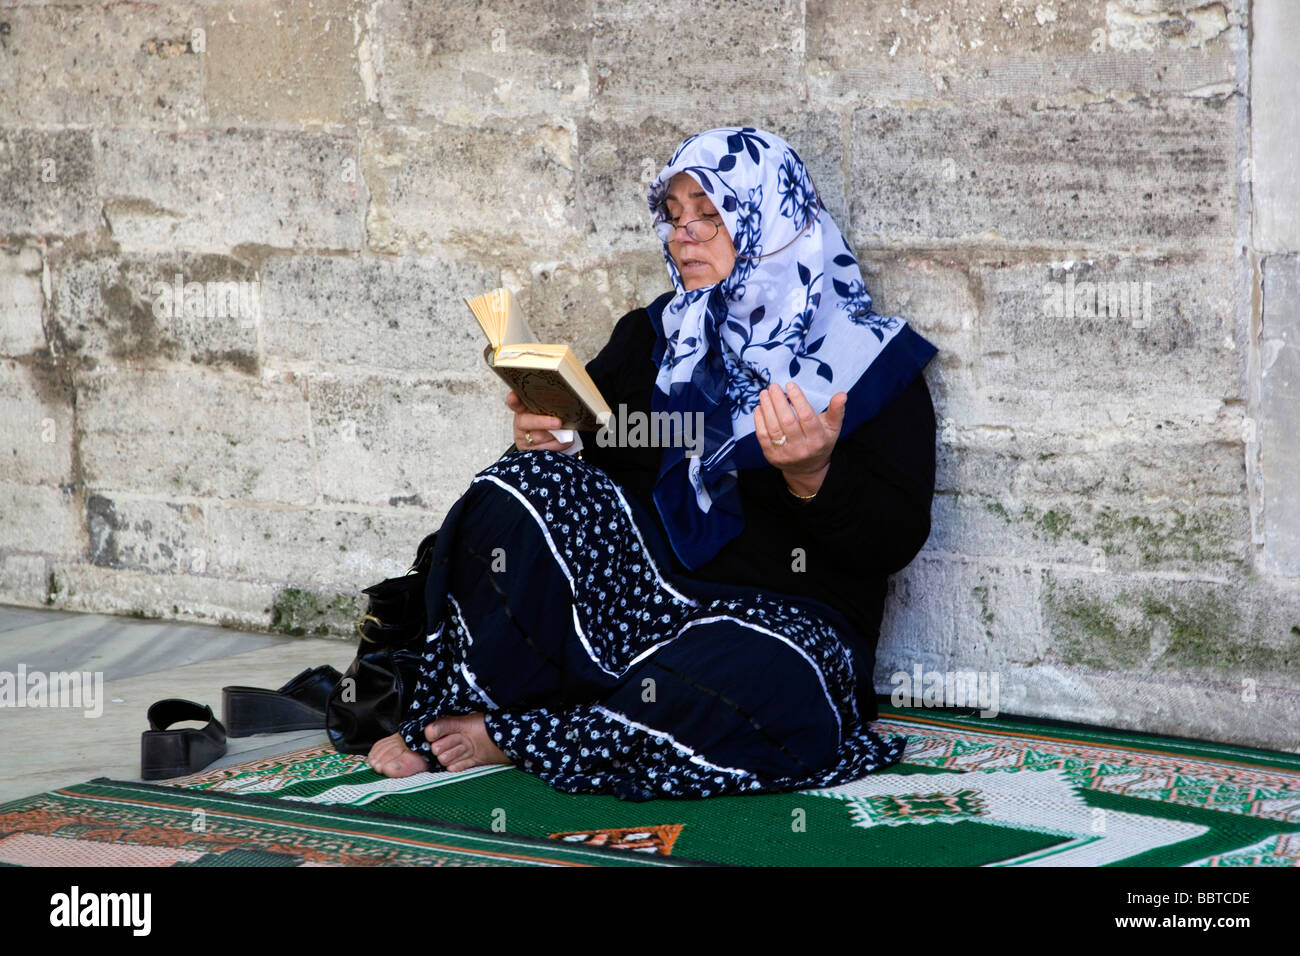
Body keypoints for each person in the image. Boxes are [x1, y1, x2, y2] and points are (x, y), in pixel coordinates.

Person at [365, 127, 938, 800]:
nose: (681, 236)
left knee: (767, 684)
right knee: (516, 488)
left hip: (782, 618)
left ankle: (515, 732)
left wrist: (812, 476)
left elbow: (894, 540)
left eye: (710, 215)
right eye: (673, 216)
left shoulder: (868, 362)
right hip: (642, 601)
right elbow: (598, 450)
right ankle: (502, 700)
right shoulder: (658, 334)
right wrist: (551, 440)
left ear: (774, 220)